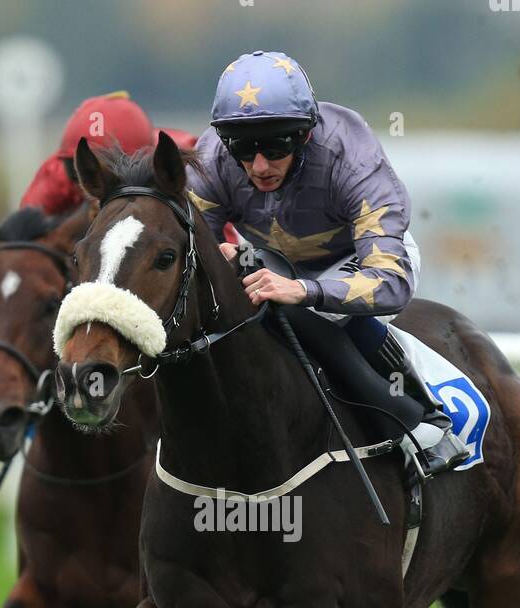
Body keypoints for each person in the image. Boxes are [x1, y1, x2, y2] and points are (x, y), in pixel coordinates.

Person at [185, 51, 471, 475]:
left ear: (304, 135)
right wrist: (222, 257)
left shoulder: (350, 156)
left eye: (277, 144)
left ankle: (421, 418)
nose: (259, 165)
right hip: (275, 258)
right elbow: (193, 254)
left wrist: (303, 291)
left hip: (367, 258)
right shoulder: (212, 159)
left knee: (294, 306)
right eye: (243, 148)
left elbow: (389, 282)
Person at [21, 91, 199, 217]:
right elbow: (25, 237)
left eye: (110, 172)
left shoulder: (185, 168)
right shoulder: (57, 173)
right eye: (87, 171)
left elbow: (215, 244)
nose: (97, 180)